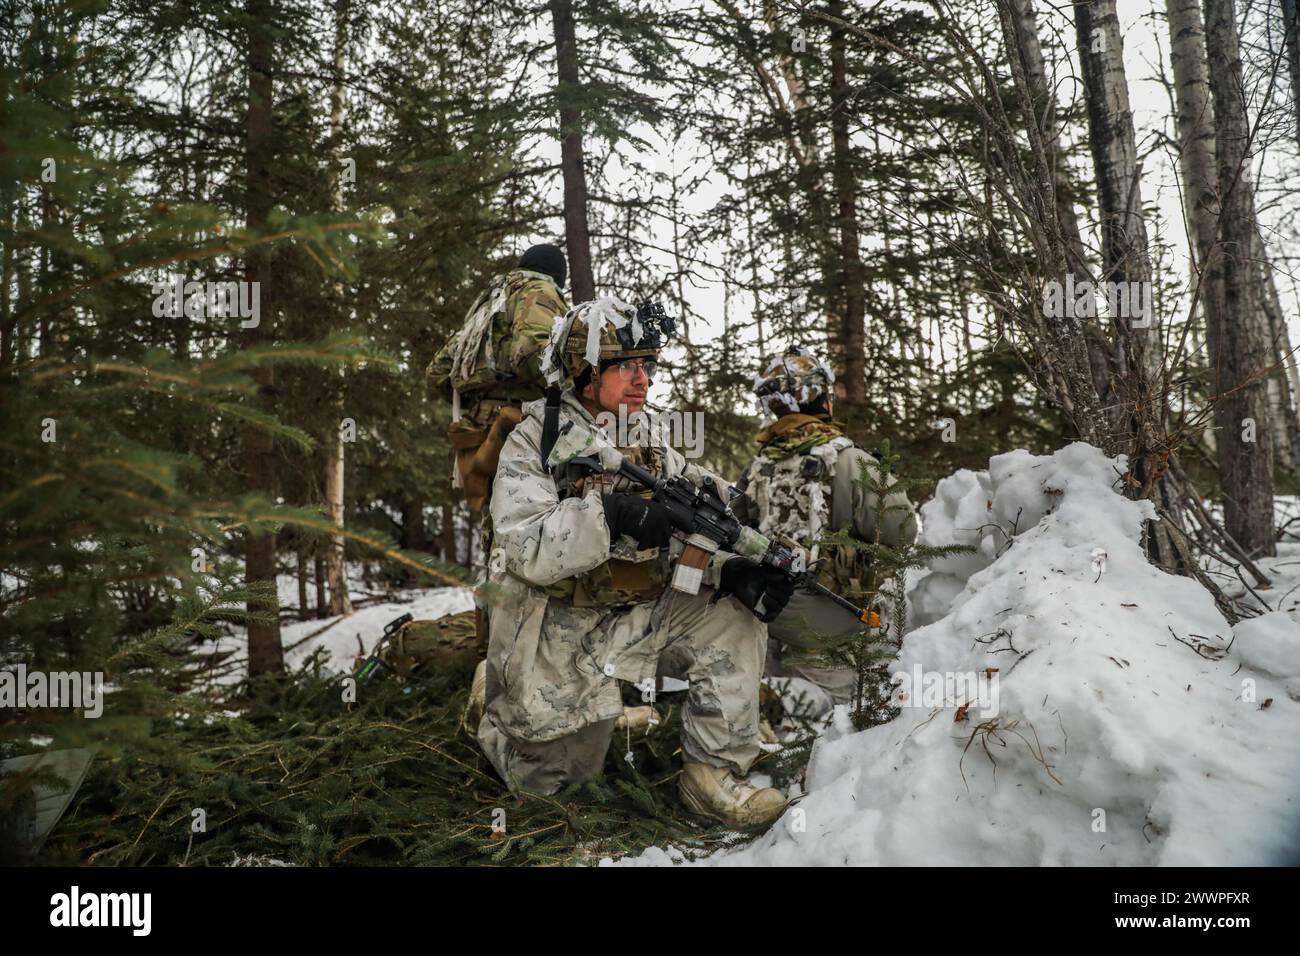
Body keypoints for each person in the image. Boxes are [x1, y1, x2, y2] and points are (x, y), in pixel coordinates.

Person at [472, 297, 791, 827]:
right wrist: (607, 514)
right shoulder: (534, 439)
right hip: (555, 636)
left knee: (731, 613)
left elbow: (698, 519)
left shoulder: (651, 442)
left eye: (649, 365)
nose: (643, 379)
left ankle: (712, 775)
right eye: (627, 367)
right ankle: (493, 705)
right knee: (555, 791)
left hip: (631, 619)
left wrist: (731, 568)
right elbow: (521, 547)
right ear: (586, 371)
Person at [731, 345, 918, 705]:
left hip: (768, 618)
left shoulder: (757, 468)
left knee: (787, 716)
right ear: (820, 398)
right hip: (837, 624)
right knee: (862, 715)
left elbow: (734, 531)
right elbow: (903, 530)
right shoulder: (848, 459)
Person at [427, 243, 570, 515]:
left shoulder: (494, 301)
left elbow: (437, 372)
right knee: (526, 528)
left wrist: (480, 397)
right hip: (518, 430)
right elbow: (530, 354)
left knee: (494, 529)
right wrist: (570, 388)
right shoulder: (540, 290)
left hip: (478, 431)